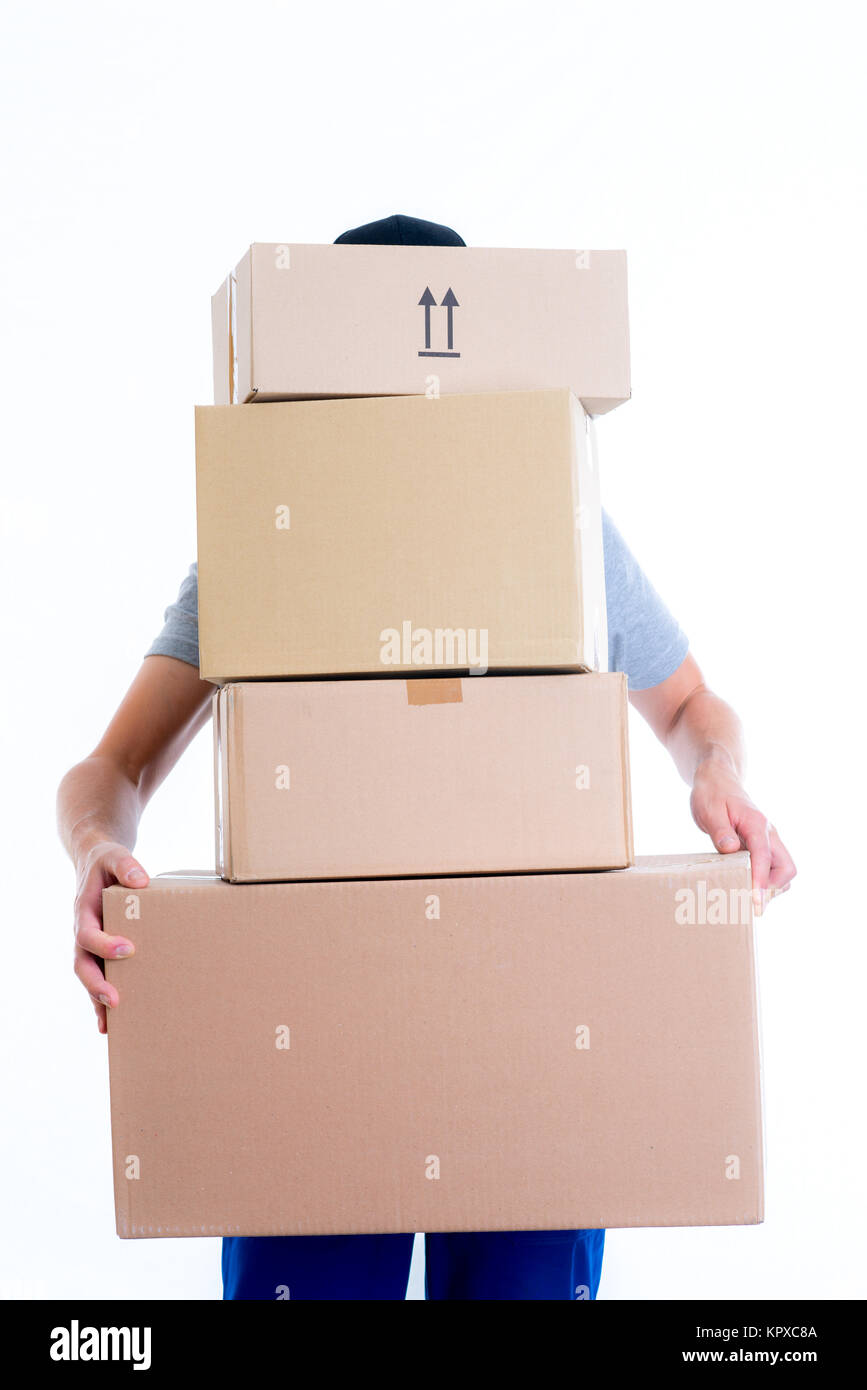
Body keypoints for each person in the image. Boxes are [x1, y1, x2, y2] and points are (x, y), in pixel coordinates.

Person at [56, 212, 797, 1301]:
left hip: (531, 1022)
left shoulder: (561, 527)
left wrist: (716, 771)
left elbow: (692, 703)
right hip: (313, 1030)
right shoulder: (270, 540)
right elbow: (111, 765)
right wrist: (97, 848)